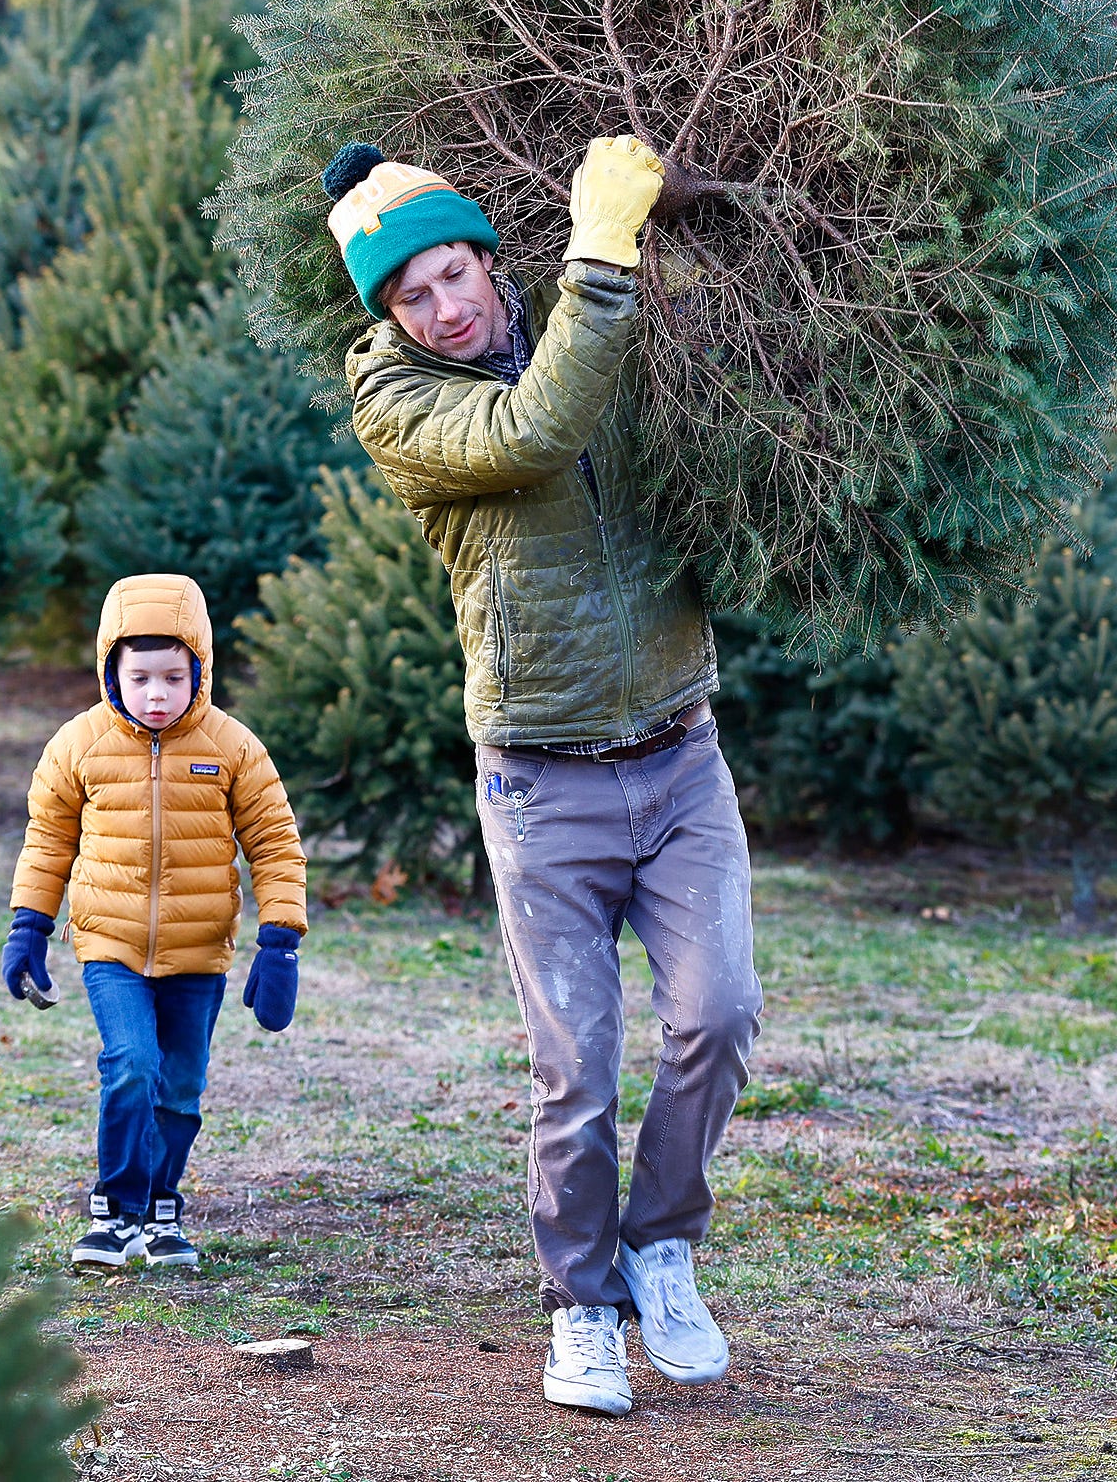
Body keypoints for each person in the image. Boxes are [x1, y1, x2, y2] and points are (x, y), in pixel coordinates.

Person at [326, 135, 761, 1416]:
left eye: (456, 274)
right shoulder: (399, 405)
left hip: (681, 754)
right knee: (576, 1068)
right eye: (414, 295)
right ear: (388, 315)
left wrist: (674, 219)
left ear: (487, 262)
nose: (445, 307)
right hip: (542, 780)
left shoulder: (590, 312)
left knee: (719, 1016)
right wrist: (605, 254)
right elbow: (540, 423)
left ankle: (661, 1242)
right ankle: (581, 1306)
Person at [2, 572, 311, 1271]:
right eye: (140, 676)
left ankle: (162, 1204)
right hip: (109, 946)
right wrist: (30, 926)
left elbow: (274, 841)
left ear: (198, 669)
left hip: (199, 952)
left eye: (174, 676)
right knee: (131, 1066)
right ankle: (115, 1209)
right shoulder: (78, 744)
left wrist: (281, 940)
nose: (157, 694)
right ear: (112, 669)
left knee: (181, 1087)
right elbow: (47, 840)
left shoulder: (232, 746)